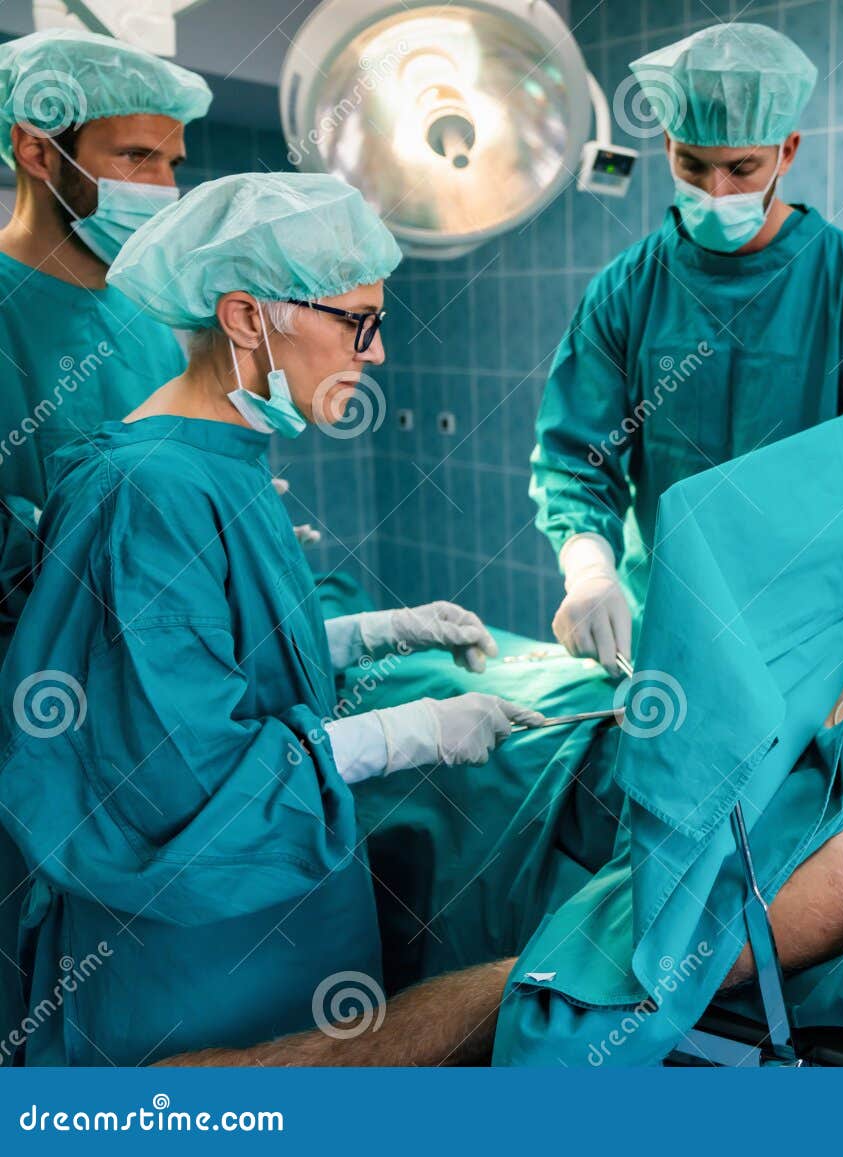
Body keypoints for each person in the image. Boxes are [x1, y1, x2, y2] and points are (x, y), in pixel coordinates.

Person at [0, 172, 540, 1065]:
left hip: (280, 929)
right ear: (249, 318)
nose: (376, 351)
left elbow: (206, 655)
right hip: (192, 961)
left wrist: (374, 632)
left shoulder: (228, 459)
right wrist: (412, 732)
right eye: (356, 322)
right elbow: (178, 770)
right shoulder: (146, 489)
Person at [157, 652, 843, 1066]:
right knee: (329, 658)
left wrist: (261, 1080)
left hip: (510, 787)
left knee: (237, 757)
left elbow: (560, 979)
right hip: (556, 686)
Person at [531, 21, 843, 674]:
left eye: (742, 168)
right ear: (667, 145)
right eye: (693, 165)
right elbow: (576, 455)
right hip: (666, 621)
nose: (716, 192)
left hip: (817, 634)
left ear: (787, 151)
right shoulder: (626, 291)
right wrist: (588, 567)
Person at [0, 29, 212, 665]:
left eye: (173, 164)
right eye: (137, 156)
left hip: (149, 667)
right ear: (38, 152)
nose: (163, 188)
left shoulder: (151, 320)